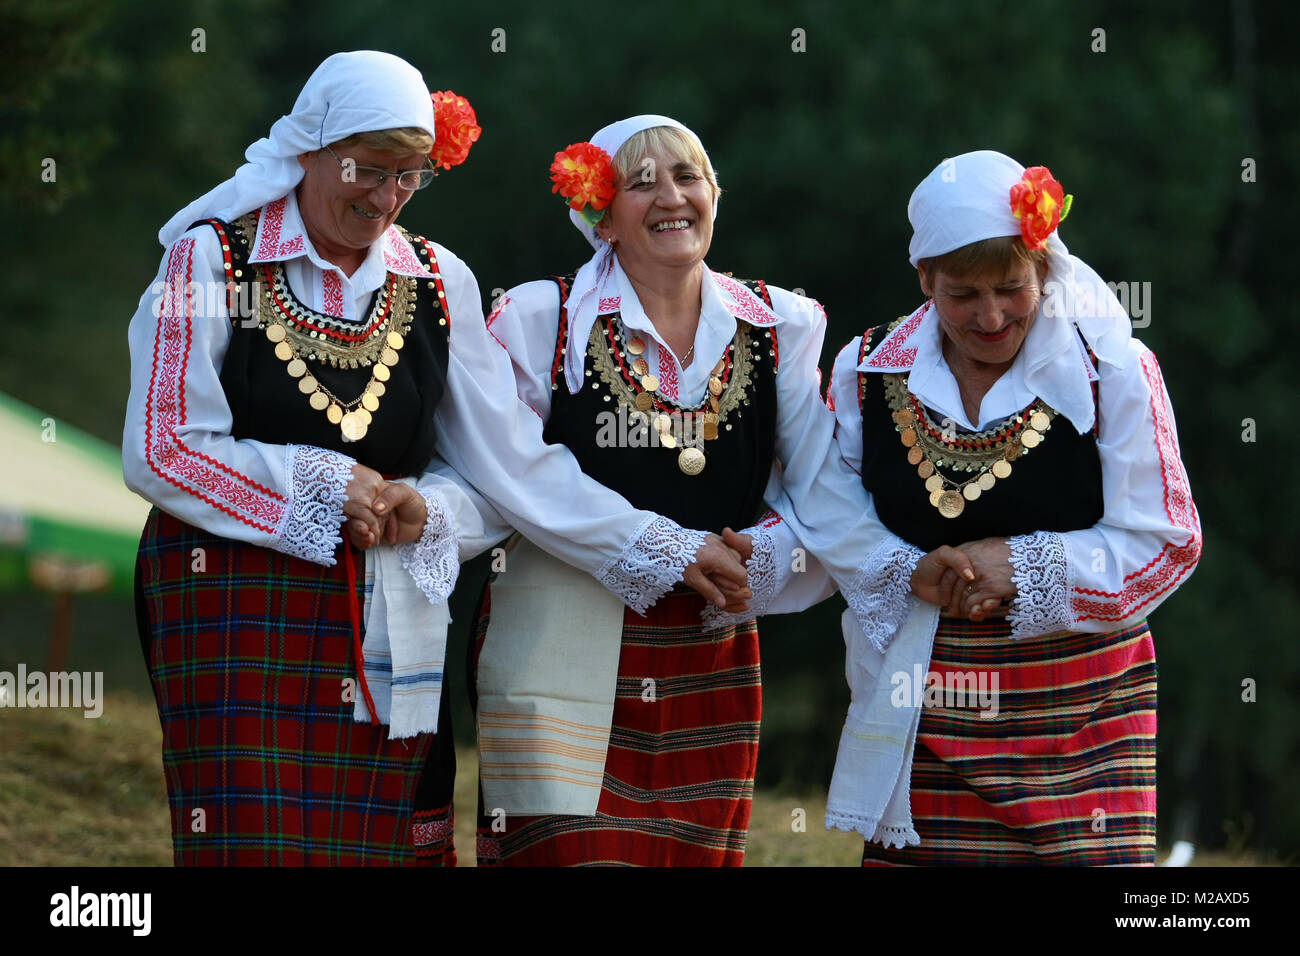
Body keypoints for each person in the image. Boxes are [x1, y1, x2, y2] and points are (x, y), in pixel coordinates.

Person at [123, 51, 509, 865]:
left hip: (387, 603)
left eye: (410, 177)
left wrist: (429, 509)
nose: (385, 197)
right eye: (367, 170)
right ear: (310, 148)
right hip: (233, 603)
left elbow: (495, 469)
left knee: (382, 847)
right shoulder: (212, 260)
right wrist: (323, 485)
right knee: (259, 843)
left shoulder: (440, 281)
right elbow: (160, 447)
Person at [447, 115, 846, 866]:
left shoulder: (779, 326)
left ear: (714, 195)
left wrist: (758, 559)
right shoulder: (544, 319)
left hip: (708, 646)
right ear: (601, 215)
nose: (672, 196)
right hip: (558, 633)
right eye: (641, 182)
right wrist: (658, 545)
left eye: (688, 175)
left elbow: (825, 494)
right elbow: (504, 467)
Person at [802, 150, 1202, 865]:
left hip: (1081, 710)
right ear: (924, 279)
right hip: (928, 705)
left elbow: (1166, 542)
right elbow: (829, 514)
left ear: (1043, 269)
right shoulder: (865, 372)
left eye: (1012, 287)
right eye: (963, 295)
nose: (991, 315)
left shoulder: (1111, 371)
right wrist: (905, 568)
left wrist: (1017, 564)